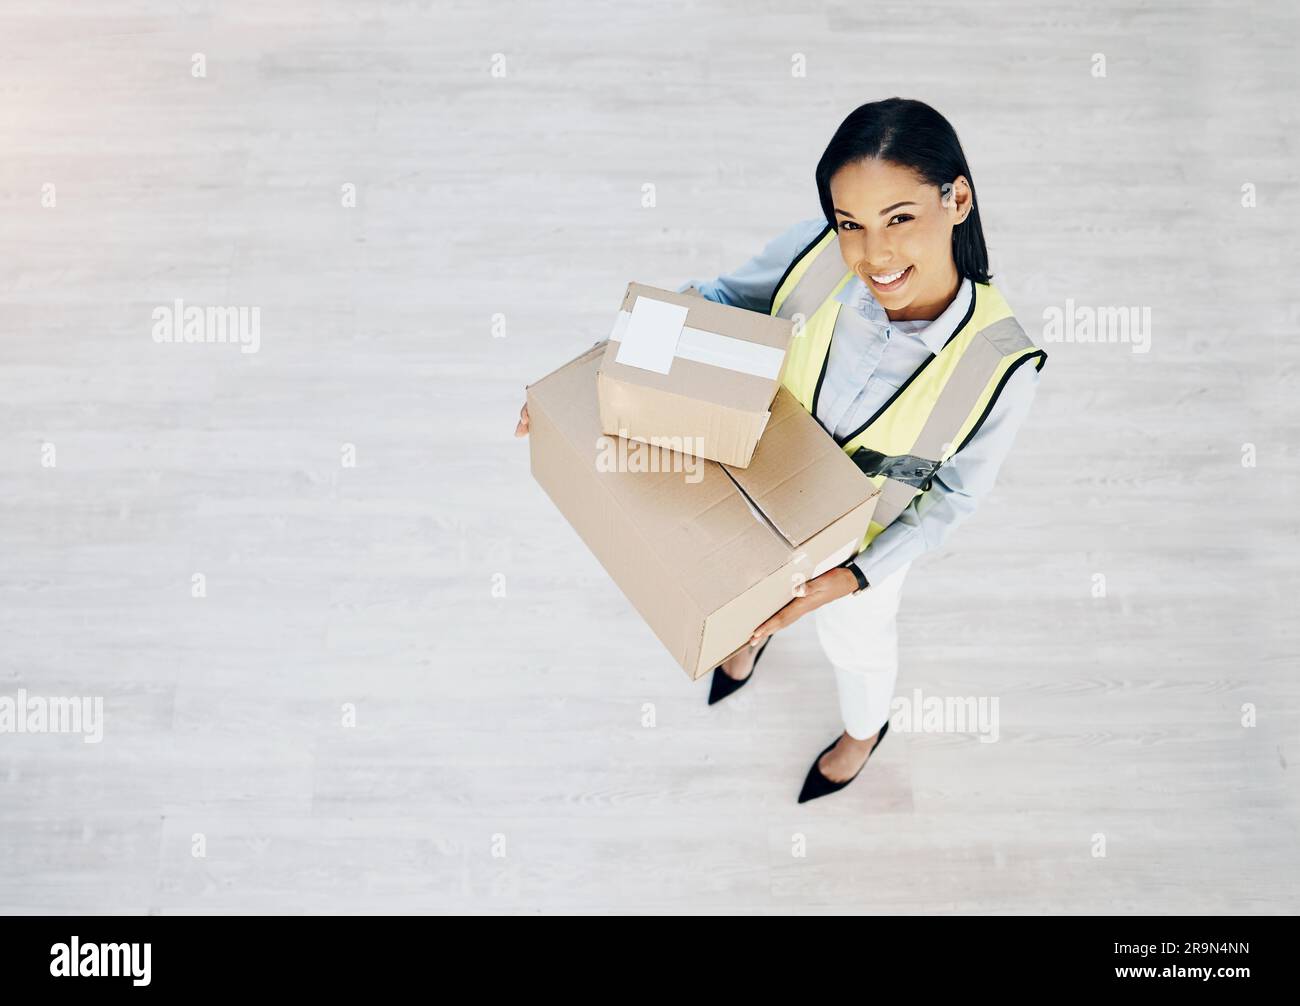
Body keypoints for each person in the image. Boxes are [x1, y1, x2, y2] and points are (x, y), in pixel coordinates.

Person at [517, 98, 1047, 804]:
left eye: (900, 219)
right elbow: (718, 298)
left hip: (862, 546)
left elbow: (956, 499)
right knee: (738, 592)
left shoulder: (1001, 363)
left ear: (958, 199)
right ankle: (750, 639)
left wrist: (853, 579)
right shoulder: (816, 258)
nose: (873, 256)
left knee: (856, 648)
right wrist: (601, 372)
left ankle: (864, 732)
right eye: (851, 224)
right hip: (755, 481)